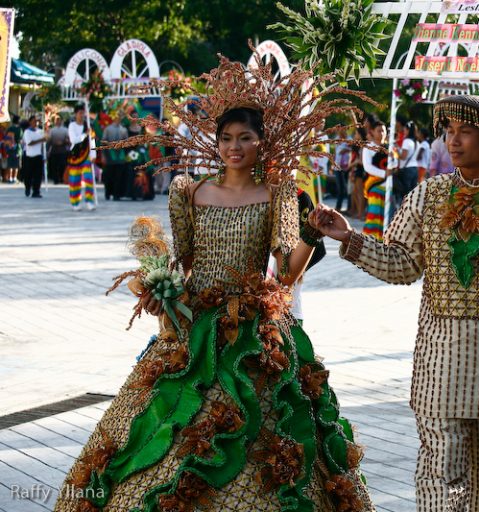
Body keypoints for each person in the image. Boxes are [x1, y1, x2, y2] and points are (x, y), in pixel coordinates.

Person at [54, 54, 374, 512]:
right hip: (195, 326)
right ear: (216, 141)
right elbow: (180, 263)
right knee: (167, 424)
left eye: (245, 137)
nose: (234, 147)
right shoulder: (190, 190)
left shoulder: (279, 192)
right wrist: (160, 290)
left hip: (252, 329)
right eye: (226, 138)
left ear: (263, 141)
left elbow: (284, 275)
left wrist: (310, 234)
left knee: (261, 429)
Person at [310, 94, 479, 510]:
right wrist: (349, 238)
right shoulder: (427, 195)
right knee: (438, 471)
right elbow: (401, 264)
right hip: (439, 361)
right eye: (449, 131)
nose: (454, 140)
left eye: (465, 131)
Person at [361, 118, 389, 240]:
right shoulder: (369, 147)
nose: (382, 134)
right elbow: (368, 167)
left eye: (383, 131)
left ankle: (383, 240)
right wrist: (385, 173)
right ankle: (370, 240)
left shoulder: (390, 148)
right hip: (374, 187)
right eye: (379, 131)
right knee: (374, 214)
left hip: (388, 187)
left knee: (385, 215)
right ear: (372, 132)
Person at [67, 104, 96, 211]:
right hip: (75, 156)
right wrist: (84, 134)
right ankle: (75, 202)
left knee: (89, 179)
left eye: (83, 113)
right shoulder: (72, 126)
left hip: (86, 155)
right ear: (75, 114)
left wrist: (93, 155)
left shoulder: (88, 125)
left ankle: (89, 201)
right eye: (80, 113)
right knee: (75, 180)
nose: (82, 115)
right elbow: (73, 140)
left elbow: (92, 141)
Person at [101, 113, 129, 200]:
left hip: (120, 155)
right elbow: (103, 141)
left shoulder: (124, 129)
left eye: (119, 117)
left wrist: (122, 145)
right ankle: (108, 193)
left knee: (119, 176)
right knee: (109, 175)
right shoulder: (108, 128)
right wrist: (103, 155)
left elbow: (127, 141)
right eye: (117, 116)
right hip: (110, 154)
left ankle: (117, 194)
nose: (118, 118)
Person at [394, 120, 419, 209]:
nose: (404, 131)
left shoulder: (407, 141)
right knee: (411, 195)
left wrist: (396, 152)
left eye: (405, 130)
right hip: (414, 169)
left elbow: (403, 157)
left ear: (408, 130)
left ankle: (403, 214)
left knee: (404, 194)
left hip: (406, 170)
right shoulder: (416, 142)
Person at [22, 115, 46, 198]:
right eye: (33, 121)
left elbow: (44, 143)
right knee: (28, 174)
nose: (35, 123)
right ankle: (28, 188)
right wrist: (40, 140)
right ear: (30, 122)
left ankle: (36, 191)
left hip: (38, 155)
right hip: (29, 156)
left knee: (38, 175)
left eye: (36, 121)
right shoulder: (27, 132)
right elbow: (29, 143)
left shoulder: (40, 131)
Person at [347, 127, 367, 220]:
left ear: (360, 134)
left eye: (356, 133)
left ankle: (361, 213)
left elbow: (362, 161)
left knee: (360, 193)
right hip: (357, 170)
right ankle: (359, 212)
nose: (355, 135)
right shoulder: (359, 145)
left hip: (361, 170)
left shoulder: (364, 146)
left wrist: (354, 163)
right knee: (355, 192)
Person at [47, 116, 69, 184]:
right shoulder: (52, 130)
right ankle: (55, 179)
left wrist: (64, 142)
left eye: (59, 120)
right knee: (54, 165)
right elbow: (49, 140)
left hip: (63, 150)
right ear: (55, 122)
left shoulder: (65, 130)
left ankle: (62, 178)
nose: (58, 122)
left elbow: (68, 139)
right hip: (54, 150)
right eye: (57, 120)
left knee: (63, 165)